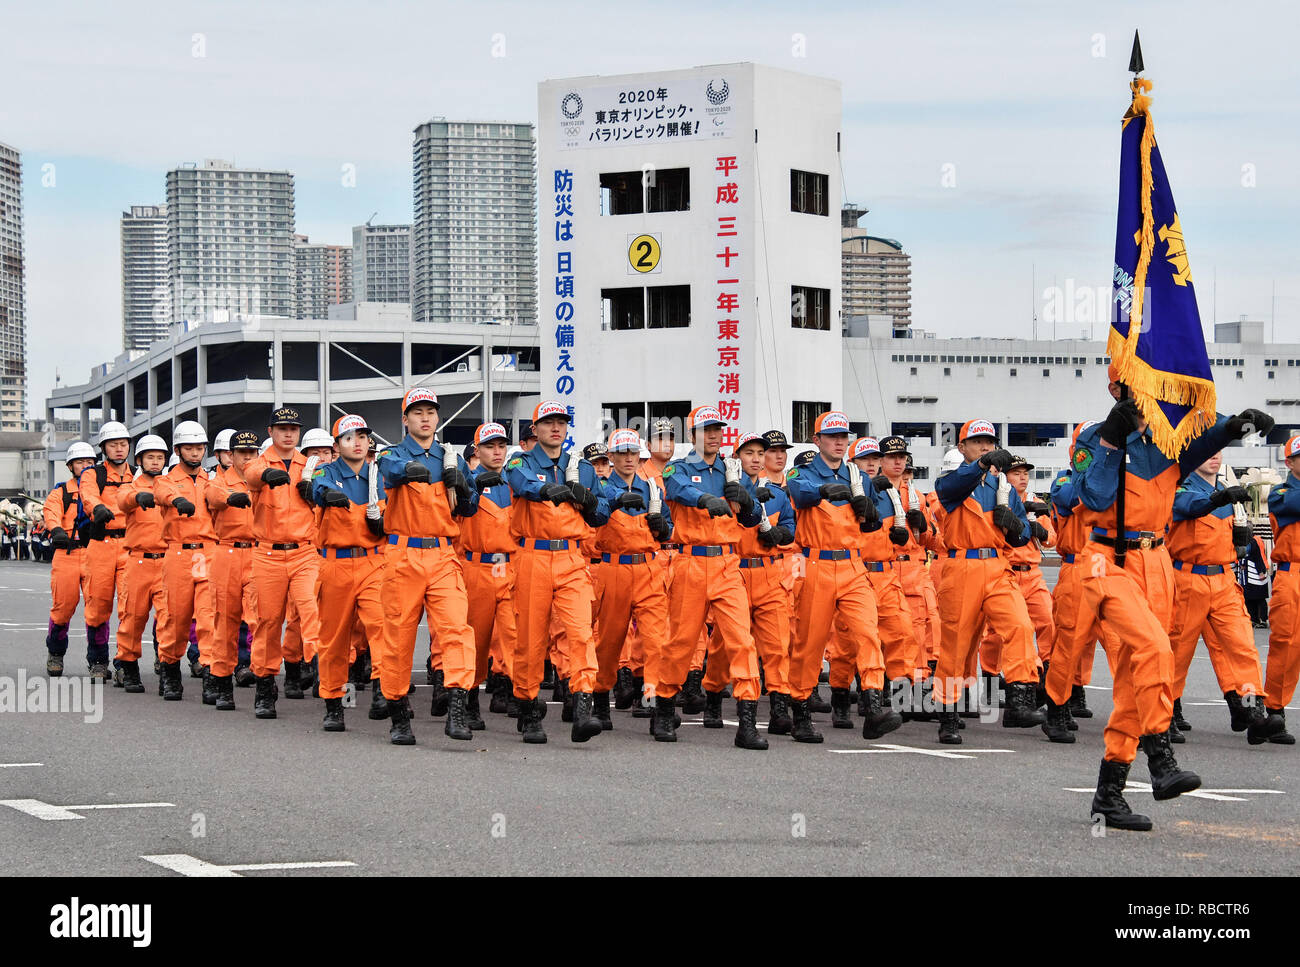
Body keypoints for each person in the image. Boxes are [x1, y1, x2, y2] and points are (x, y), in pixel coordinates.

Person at [1062, 375, 1268, 830]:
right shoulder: (1095, 437)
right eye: (1143, 387)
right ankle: (1160, 757)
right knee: (1156, 648)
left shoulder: (1167, 439)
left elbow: (1200, 448)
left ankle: (1108, 797)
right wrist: (1114, 444)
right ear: (1120, 390)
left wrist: (1237, 428)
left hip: (1157, 562)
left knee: (1134, 683)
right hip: (1107, 561)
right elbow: (1092, 496)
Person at [785, 411, 902, 743]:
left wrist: (870, 514)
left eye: (843, 436)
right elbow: (802, 494)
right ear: (817, 440)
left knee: (868, 633)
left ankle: (874, 705)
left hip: (852, 565)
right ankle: (801, 711)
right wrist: (830, 489)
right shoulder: (802, 471)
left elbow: (870, 520)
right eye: (832, 436)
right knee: (810, 643)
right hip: (816, 564)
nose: (839, 441)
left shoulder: (859, 475)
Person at [658, 405, 768, 749]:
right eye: (707, 430)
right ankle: (663, 709)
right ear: (693, 435)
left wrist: (747, 502)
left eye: (718, 430)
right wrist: (706, 498)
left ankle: (747, 722)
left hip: (726, 564)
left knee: (742, 640)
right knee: (681, 642)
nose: (715, 435)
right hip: (690, 562)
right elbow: (677, 490)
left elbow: (750, 521)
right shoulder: (679, 467)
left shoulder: (732, 470)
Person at [377, 388, 482, 744]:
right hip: (402, 554)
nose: (425, 418)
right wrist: (411, 469)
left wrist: (466, 490)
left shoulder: (450, 458)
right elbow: (390, 470)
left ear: (438, 418)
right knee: (398, 638)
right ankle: (398, 715)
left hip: (442, 554)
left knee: (456, 630)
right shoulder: (392, 454)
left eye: (431, 412)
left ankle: (457, 708)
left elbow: (468, 508)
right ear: (405, 419)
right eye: (417, 412)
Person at [932, 419, 1044, 744]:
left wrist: (1015, 527)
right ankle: (947, 714)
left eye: (989, 442)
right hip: (961, 567)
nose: (985, 447)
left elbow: (1024, 532)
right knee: (955, 646)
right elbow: (949, 490)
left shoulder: (1004, 488)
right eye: (977, 442)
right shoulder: (953, 480)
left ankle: (1019, 700)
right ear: (961, 448)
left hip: (997, 565)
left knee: (1020, 626)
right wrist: (981, 465)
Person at [1166, 451, 1282, 744]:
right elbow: (1186, 507)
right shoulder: (1181, 487)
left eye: (1217, 451)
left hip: (1224, 579)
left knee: (1242, 645)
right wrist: (1219, 500)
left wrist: (1239, 546)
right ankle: (1164, 714)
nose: (1214, 456)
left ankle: (1250, 711)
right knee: (1177, 651)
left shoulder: (1223, 492)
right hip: (1188, 579)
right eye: (1206, 451)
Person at [701, 432, 796, 733]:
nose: (756, 459)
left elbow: (791, 527)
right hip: (736, 571)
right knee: (723, 645)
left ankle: (779, 704)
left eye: (760, 453)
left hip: (769, 572)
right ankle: (714, 694)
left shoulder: (779, 494)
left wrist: (779, 535)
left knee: (777, 643)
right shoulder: (727, 490)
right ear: (738, 457)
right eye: (749, 453)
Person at [241, 407, 323, 718]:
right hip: (268, 554)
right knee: (268, 621)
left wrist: (316, 491)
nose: (289, 433)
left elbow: (326, 492)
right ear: (271, 431)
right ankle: (264, 687)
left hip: (304, 551)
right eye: (282, 428)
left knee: (311, 608)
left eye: (293, 428)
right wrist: (265, 476)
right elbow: (249, 475)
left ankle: (319, 665)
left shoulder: (311, 464)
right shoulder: (259, 463)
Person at [591, 428, 673, 730]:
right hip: (614, 570)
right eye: (622, 453)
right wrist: (613, 501)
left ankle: (654, 704)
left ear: (641, 456)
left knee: (657, 641)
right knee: (610, 642)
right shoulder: (600, 488)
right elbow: (594, 520)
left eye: (633, 453)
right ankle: (600, 699)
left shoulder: (652, 488)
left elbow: (669, 530)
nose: (628, 458)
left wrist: (662, 526)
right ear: (611, 457)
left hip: (649, 569)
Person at [309, 414, 387, 733]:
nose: (357, 442)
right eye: (349, 437)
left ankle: (385, 692)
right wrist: (326, 495)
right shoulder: (326, 471)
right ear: (337, 445)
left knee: (382, 626)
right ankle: (336, 703)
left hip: (373, 562)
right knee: (335, 639)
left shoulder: (379, 475)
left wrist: (385, 523)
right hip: (336, 563)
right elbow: (316, 487)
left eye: (362, 436)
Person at [152, 422, 224, 703]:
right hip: (178, 553)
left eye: (199, 448)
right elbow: (161, 493)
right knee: (175, 617)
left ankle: (209, 674)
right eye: (189, 448)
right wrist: (177, 500)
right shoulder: (166, 480)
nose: (195, 453)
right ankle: (170, 671)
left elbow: (222, 497)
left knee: (208, 618)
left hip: (208, 552)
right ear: (179, 450)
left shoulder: (212, 480)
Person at [977, 455, 1056, 700]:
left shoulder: (1035, 502)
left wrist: (1041, 532)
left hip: (1032, 574)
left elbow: (1052, 539)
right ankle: (992, 678)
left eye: (1025, 473)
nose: (1022, 478)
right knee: (997, 634)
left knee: (1048, 622)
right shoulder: (998, 501)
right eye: (1016, 473)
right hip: (1007, 571)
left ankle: (1046, 677)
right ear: (1005, 477)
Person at [455, 421, 518, 724]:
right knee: (476, 641)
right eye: (490, 446)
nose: (497, 451)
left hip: (510, 566)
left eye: (501, 445)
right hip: (477, 567)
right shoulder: (467, 482)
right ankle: (469, 700)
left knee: (515, 635)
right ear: (477, 450)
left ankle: (520, 698)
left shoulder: (515, 482)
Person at [110, 434, 171, 694]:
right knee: (133, 618)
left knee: (169, 619)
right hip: (138, 561)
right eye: (150, 458)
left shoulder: (172, 486)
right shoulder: (130, 486)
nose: (155, 462)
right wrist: (138, 498)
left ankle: (169, 671)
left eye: (160, 458)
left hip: (168, 561)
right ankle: (128, 666)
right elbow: (122, 501)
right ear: (139, 460)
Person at [76, 421, 133, 680]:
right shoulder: (93, 474)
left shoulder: (139, 475)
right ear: (104, 448)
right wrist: (97, 508)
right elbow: (87, 494)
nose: (119, 449)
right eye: (113, 445)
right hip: (101, 544)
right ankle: (98, 660)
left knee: (129, 606)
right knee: (97, 605)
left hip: (131, 545)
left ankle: (124, 663)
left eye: (123, 444)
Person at [42, 442, 96, 675]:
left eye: (89, 462)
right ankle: (55, 653)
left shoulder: (99, 490)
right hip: (67, 553)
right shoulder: (61, 492)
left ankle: (98, 660)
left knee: (97, 609)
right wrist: (55, 530)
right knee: (62, 607)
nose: (85, 466)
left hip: (95, 553)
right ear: (71, 466)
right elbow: (50, 512)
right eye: (80, 462)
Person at [211, 431, 259, 688]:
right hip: (227, 552)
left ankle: (253, 668)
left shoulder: (261, 480)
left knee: (258, 617)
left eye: (252, 453)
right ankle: (220, 678)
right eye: (242, 453)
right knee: (225, 618)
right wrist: (230, 497)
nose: (247, 458)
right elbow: (212, 497)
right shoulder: (219, 480)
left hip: (258, 552)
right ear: (231, 455)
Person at [1263, 436, 1300, 745]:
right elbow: (1292, 504)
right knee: (1285, 645)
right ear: (1289, 463)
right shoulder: (1281, 492)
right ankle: (1274, 709)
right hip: (1292, 576)